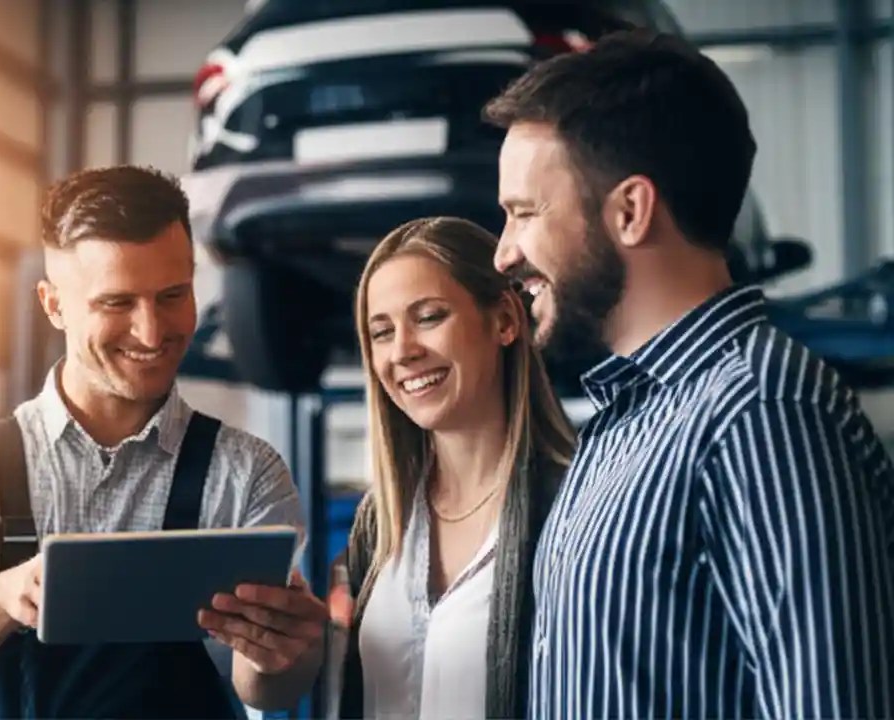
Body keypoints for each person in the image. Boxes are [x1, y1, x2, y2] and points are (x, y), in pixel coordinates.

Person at [484, 29, 894, 718]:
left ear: (631, 211)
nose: (503, 254)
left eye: (524, 213)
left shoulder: (762, 412)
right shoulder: (626, 419)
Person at [0, 165, 328, 719]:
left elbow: (265, 690)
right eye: (117, 303)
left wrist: (287, 653)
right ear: (54, 304)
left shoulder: (246, 472)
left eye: (172, 295)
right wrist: (6, 596)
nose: (152, 332)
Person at [329, 217, 577, 719]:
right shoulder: (380, 522)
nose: (403, 351)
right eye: (381, 332)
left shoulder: (572, 505)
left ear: (505, 320)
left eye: (429, 317)